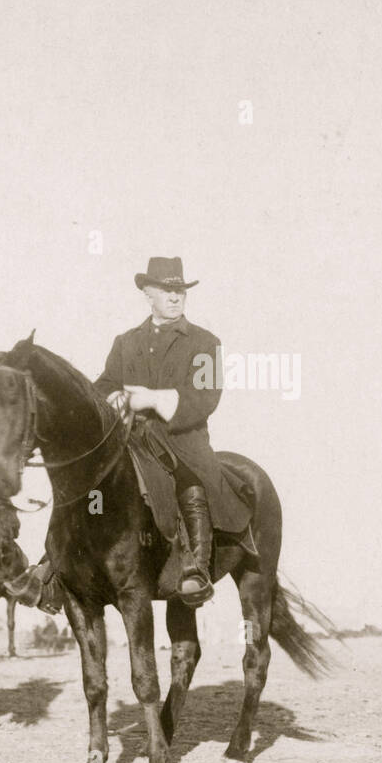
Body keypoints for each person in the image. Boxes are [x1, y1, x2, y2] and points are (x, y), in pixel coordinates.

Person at [92, 257, 252, 606]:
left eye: (179, 290)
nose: (175, 297)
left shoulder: (206, 342)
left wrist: (151, 398)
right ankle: (56, 566)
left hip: (183, 440)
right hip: (133, 438)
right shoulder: (126, 342)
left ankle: (195, 567)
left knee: (190, 481)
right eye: (167, 290)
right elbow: (104, 384)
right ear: (148, 294)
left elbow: (206, 398)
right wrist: (115, 397)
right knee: (93, 479)